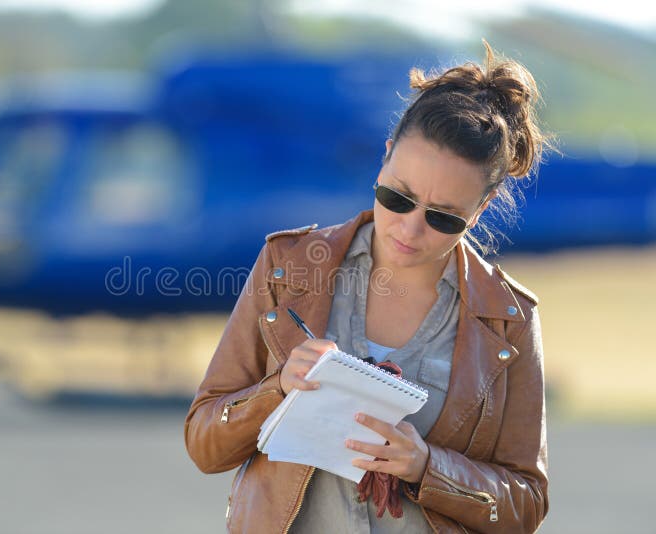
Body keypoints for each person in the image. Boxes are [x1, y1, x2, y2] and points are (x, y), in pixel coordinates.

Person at [184, 39, 556, 533]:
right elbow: (204, 444)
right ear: (383, 160)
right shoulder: (288, 266)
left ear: (480, 211)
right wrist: (278, 390)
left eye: (444, 217)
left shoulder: (509, 318)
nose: (410, 228)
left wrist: (428, 467)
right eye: (397, 197)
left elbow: (526, 504)